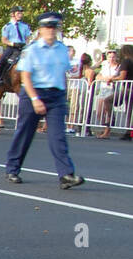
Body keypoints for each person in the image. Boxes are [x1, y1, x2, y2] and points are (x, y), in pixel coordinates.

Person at [5, 13, 83, 188]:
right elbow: (25, 76)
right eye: (48, 27)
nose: (51, 31)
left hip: (56, 95)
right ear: (40, 29)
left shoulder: (62, 49)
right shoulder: (31, 50)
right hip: (34, 92)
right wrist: (34, 99)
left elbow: (63, 74)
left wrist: (65, 96)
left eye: (54, 27)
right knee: (25, 133)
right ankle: (12, 168)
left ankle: (66, 175)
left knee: (58, 136)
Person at [0, 6, 31, 87]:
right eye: (18, 13)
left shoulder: (25, 26)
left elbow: (27, 38)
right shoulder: (7, 27)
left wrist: (26, 45)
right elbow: (4, 40)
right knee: (3, 60)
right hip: (12, 47)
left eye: (21, 13)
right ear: (12, 14)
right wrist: (13, 44)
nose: (20, 15)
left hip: (23, 47)